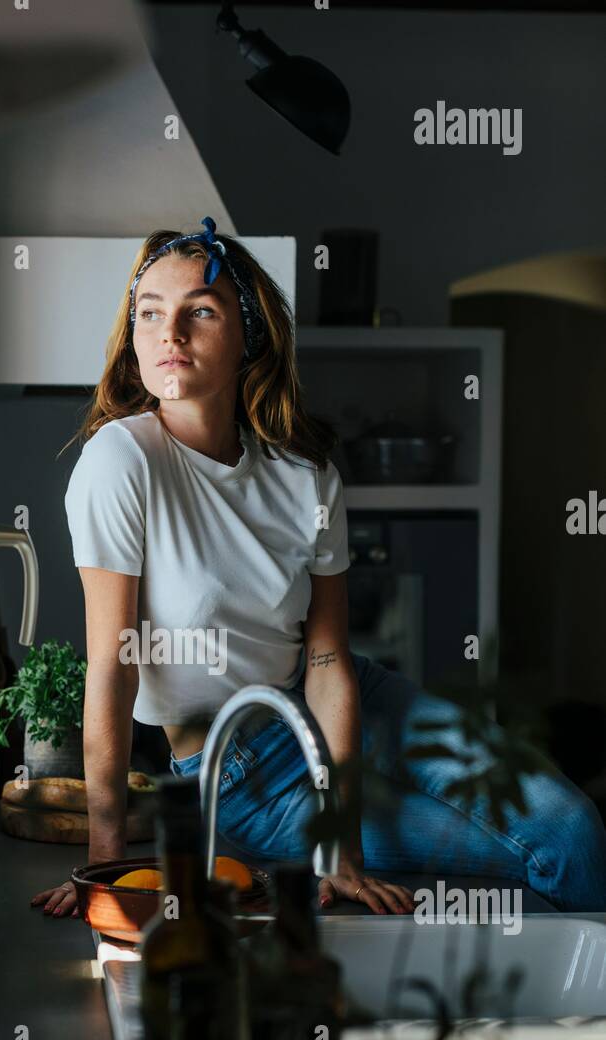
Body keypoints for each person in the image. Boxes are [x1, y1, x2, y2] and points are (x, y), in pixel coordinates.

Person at [33, 217, 606, 919]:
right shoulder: (121, 463)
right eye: (150, 312)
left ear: (251, 338)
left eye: (199, 312)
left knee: (573, 833)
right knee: (538, 861)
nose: (169, 334)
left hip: (351, 703)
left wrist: (342, 841)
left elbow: (330, 656)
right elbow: (113, 666)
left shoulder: (306, 476)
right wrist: (103, 862)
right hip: (245, 777)